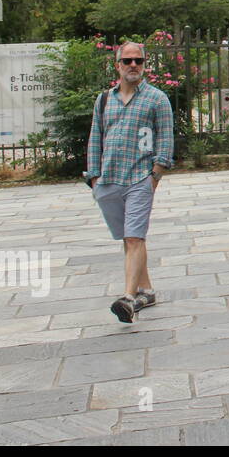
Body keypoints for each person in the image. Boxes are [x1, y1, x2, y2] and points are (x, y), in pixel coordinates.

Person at [87, 40, 174, 324]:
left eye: (138, 60)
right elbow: (95, 139)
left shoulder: (157, 99)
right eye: (128, 61)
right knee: (129, 238)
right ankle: (146, 290)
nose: (133, 65)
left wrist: (156, 174)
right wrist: (94, 178)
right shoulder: (104, 100)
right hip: (109, 180)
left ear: (145, 64)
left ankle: (128, 298)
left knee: (135, 236)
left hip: (140, 177)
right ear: (118, 65)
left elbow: (166, 138)